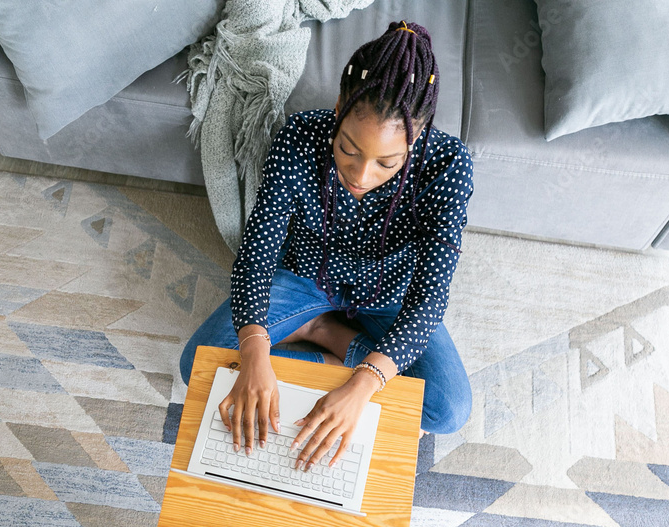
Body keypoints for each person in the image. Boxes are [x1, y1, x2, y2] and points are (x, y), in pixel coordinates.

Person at [180, 20, 474, 473]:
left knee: (449, 410)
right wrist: (255, 351)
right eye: (348, 149)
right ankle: (316, 327)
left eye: (386, 163)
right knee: (195, 365)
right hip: (304, 282)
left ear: (419, 138)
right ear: (338, 109)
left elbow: (430, 296)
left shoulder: (449, 165)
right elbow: (258, 252)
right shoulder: (300, 136)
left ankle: (324, 333)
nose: (360, 175)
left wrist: (362, 386)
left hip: (389, 296)